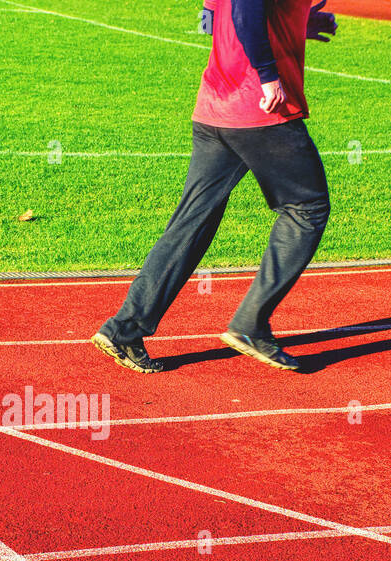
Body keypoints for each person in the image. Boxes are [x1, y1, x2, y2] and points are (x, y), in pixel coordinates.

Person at [92, 0, 337, 373]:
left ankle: (125, 328)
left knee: (194, 219)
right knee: (308, 208)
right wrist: (269, 74)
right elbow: (244, 11)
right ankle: (251, 325)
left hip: (215, 109)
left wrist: (298, 21)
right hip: (261, 110)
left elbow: (218, 21)